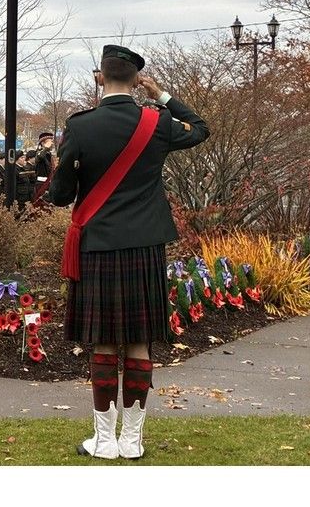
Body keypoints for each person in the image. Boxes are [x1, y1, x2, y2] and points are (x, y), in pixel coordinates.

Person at [49, 44, 209, 460]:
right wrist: (162, 96)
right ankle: (132, 441)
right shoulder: (157, 122)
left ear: (99, 78)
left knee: (103, 342)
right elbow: (200, 127)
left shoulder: (80, 126)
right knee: (139, 342)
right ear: (137, 80)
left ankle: (104, 441)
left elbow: (60, 195)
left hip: (98, 246)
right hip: (144, 247)